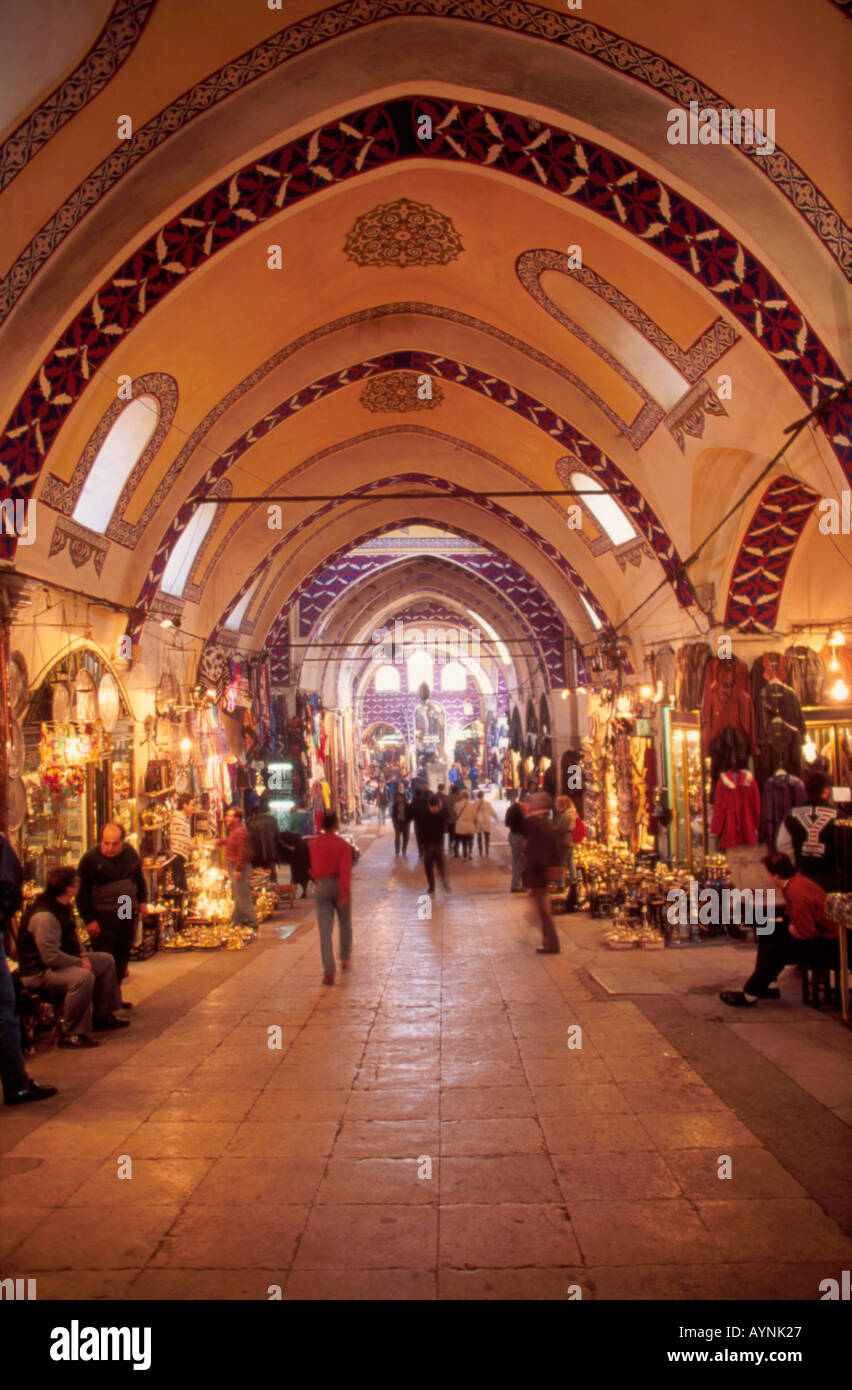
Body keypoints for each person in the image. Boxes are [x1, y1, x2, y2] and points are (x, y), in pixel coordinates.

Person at [18, 866, 129, 1046]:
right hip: (39, 972)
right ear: (69, 888)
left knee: (106, 961)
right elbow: (50, 957)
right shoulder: (45, 915)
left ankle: (103, 1015)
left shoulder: (63, 906)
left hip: (62, 961)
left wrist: (82, 954)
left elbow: (71, 933)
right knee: (82, 978)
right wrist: (78, 963)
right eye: (76, 883)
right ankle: (72, 1032)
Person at [720, 852, 840, 1007]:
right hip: (818, 934)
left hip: (826, 944)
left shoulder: (797, 891)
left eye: (768, 873)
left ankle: (750, 994)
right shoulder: (796, 882)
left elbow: (807, 932)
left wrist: (791, 929)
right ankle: (770, 985)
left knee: (775, 952)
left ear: (776, 875)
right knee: (768, 931)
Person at [1, 832, 58, 1103]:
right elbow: (10, 888)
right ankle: (17, 1084)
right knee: (3, 1012)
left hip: (121, 905)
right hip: (118, 905)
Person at [77, 822, 148, 1008]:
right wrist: (89, 919)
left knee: (122, 952)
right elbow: (81, 893)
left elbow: (138, 879)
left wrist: (142, 902)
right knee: (106, 956)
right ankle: (104, 1004)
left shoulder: (130, 854)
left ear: (122, 842)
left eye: (114, 844)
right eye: (106, 843)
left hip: (124, 905)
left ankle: (115, 995)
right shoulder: (90, 860)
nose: (109, 848)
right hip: (103, 912)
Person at [308, 811, 353, 984]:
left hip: (322, 887)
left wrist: (317, 877)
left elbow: (313, 868)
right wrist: (344, 892)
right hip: (338, 884)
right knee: (345, 924)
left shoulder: (314, 844)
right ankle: (345, 958)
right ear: (335, 824)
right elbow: (345, 870)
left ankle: (328, 971)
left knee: (325, 932)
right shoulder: (342, 845)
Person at [776, 771, 840, 891]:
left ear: (805, 789)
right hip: (832, 879)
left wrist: (797, 868)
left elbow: (783, 846)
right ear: (826, 791)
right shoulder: (839, 816)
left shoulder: (791, 815)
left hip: (803, 876)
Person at [522, 792, 561, 953]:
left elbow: (538, 851)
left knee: (543, 911)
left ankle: (552, 944)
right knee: (542, 910)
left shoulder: (538, 826)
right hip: (539, 872)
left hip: (538, 873)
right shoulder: (544, 825)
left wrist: (542, 868)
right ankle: (548, 942)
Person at [224, 806, 258, 927]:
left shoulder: (240, 832)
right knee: (237, 896)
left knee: (241, 896)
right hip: (234, 865)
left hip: (238, 867)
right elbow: (230, 842)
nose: (226, 817)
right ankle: (235, 922)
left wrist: (238, 869)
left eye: (229, 816)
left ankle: (252, 922)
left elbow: (242, 852)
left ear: (237, 819)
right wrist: (218, 843)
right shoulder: (234, 831)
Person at [421, 794, 449, 897]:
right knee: (440, 865)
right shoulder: (440, 816)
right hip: (437, 845)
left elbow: (421, 832)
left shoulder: (425, 815)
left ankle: (432, 887)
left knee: (429, 867)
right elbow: (442, 831)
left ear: (429, 804)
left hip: (428, 846)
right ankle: (444, 883)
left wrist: (423, 845)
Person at [168, 793, 196, 892]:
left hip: (180, 857)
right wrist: (191, 844)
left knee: (182, 886)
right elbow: (180, 837)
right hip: (177, 857)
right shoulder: (177, 819)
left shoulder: (184, 819)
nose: (194, 808)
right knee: (179, 887)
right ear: (184, 806)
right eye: (192, 805)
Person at [553, 795, 578, 891]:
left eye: (558, 805)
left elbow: (562, 829)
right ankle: (574, 880)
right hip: (569, 842)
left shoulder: (567, 815)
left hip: (565, 842)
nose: (557, 807)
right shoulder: (571, 813)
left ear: (563, 805)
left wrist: (555, 830)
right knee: (570, 862)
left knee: (561, 863)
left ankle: (561, 884)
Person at [278, 829, 311, 898]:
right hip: (304, 856)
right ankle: (303, 893)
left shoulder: (282, 838)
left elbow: (293, 848)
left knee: (295, 877)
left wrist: (284, 845)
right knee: (304, 876)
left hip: (299, 857)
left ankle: (291, 894)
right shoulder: (292, 836)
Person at [505, 798, 526, 892]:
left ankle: (516, 884)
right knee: (521, 863)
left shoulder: (510, 811)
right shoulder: (520, 813)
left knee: (515, 861)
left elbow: (506, 823)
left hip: (512, 837)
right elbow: (524, 826)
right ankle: (516, 885)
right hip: (520, 838)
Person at [454, 790, 477, 860]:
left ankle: (464, 855)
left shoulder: (457, 804)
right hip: (470, 825)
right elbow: (475, 816)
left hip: (461, 825)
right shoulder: (472, 805)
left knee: (464, 841)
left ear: (461, 797)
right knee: (470, 839)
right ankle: (470, 852)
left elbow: (455, 812)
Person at [474, 790, 498, 857]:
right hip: (486, 821)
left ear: (477, 796)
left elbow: (473, 813)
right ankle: (487, 851)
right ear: (483, 796)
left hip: (479, 821)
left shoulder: (475, 803)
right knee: (487, 836)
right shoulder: (487, 803)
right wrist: (496, 818)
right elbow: (492, 811)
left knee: (479, 837)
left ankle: (480, 852)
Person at [410, 785, 430, 859]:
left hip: (417, 822)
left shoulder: (414, 801)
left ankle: (420, 852)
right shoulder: (425, 801)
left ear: (415, 794)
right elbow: (428, 811)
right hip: (425, 822)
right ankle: (426, 850)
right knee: (425, 836)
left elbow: (411, 811)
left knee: (418, 837)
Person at [391, 790, 410, 856]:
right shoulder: (395, 806)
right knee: (397, 837)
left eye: (400, 797)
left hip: (406, 823)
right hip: (398, 823)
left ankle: (404, 850)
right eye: (397, 798)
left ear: (403, 798)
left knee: (406, 837)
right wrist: (394, 821)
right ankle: (397, 851)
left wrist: (408, 821)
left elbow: (410, 814)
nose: (398, 799)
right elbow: (393, 814)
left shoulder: (407, 805)